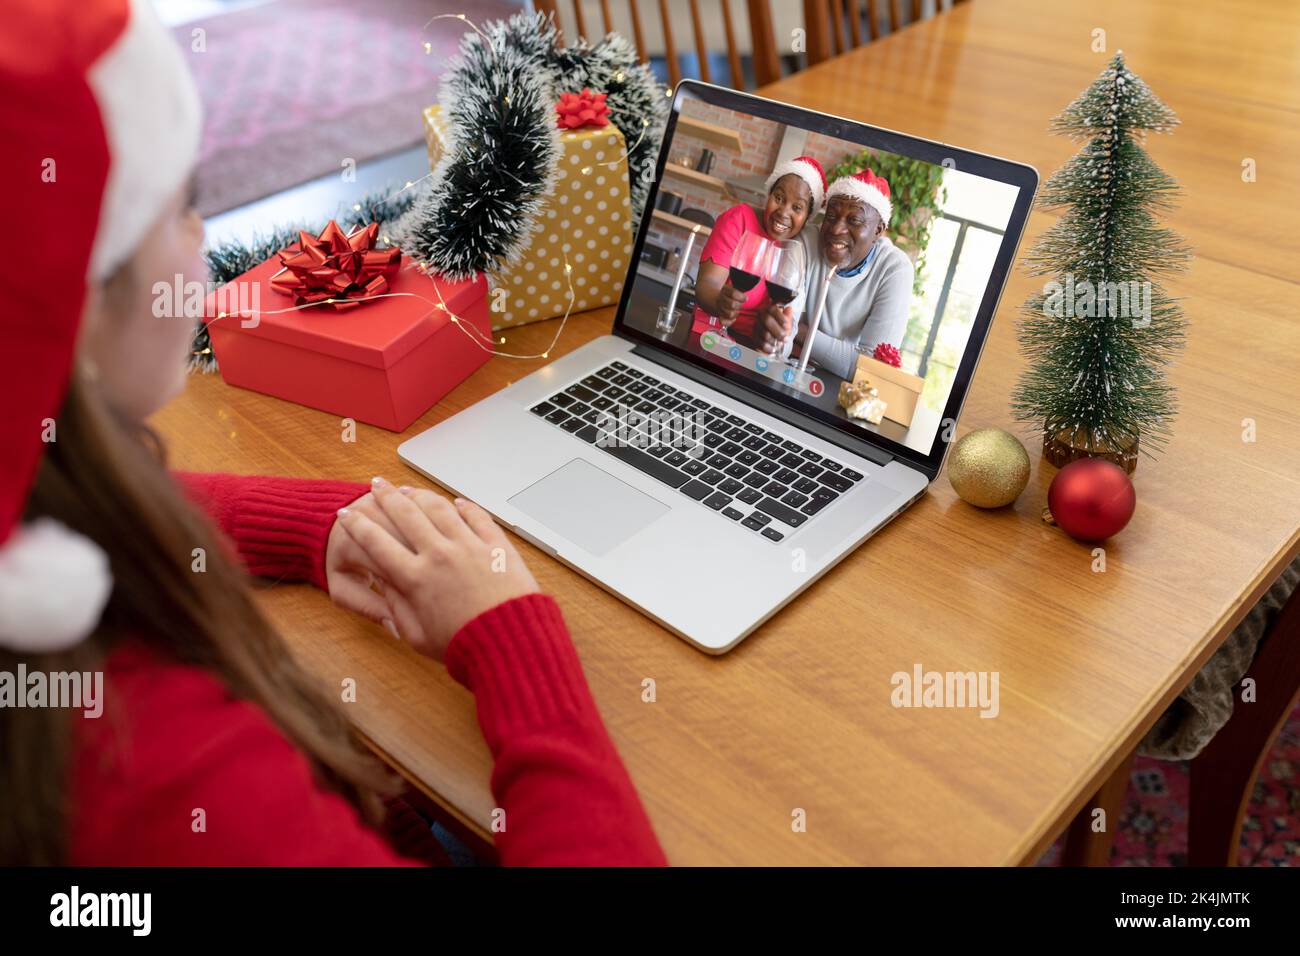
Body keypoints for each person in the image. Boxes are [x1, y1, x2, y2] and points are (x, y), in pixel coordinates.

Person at [0, 0, 665, 867]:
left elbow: (98, 504)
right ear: (71, 303)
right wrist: (513, 638)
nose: (202, 236)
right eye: (182, 206)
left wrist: (321, 525)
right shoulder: (170, 783)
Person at [760, 168, 914, 381]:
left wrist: (801, 332)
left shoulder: (895, 269)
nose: (836, 229)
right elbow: (781, 338)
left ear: (878, 230)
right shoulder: (805, 243)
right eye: (831, 216)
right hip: (789, 374)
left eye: (854, 221)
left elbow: (872, 370)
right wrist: (786, 333)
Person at [689, 155, 826, 345]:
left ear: (807, 218)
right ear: (768, 195)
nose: (784, 212)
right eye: (779, 198)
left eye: (797, 207)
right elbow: (707, 284)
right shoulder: (739, 219)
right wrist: (719, 302)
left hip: (757, 350)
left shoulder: (799, 248)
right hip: (714, 336)